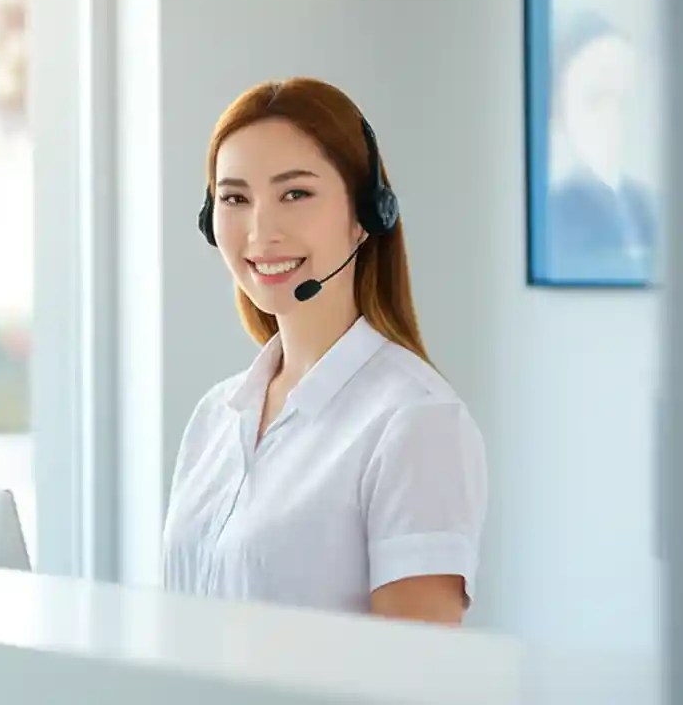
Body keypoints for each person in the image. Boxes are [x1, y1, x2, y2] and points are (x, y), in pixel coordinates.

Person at [162, 78, 486, 625]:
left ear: (366, 216)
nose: (261, 232)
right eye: (235, 198)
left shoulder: (416, 421)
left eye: (295, 194)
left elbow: (420, 680)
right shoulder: (216, 417)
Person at [542, 13, 657, 284]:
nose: (613, 118)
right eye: (596, 99)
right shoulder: (553, 217)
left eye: (625, 100)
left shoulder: (649, 205)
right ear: (561, 109)